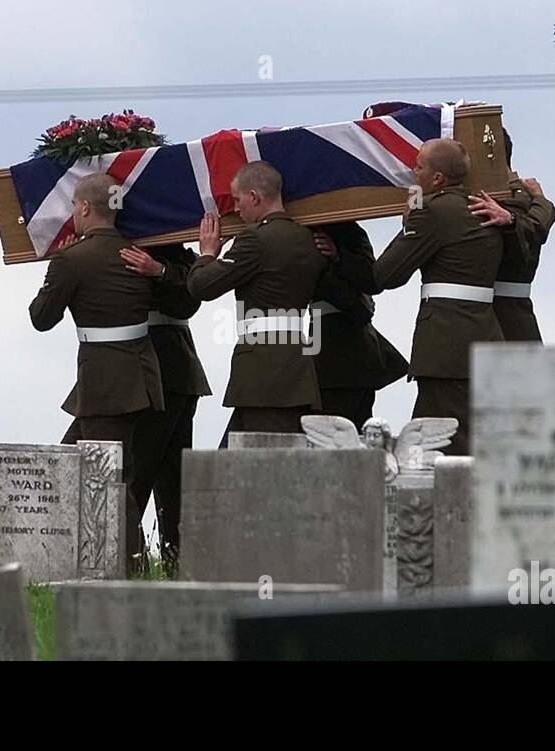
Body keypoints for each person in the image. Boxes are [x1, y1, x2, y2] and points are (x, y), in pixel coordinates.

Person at [30, 172, 164, 568]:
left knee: (109, 474)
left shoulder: (72, 260)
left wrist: (56, 267)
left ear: (85, 208)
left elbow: (41, 317)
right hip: (140, 377)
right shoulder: (138, 254)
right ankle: (83, 557)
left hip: (105, 384)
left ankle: (132, 561)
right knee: (81, 462)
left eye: (73, 205)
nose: (72, 212)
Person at [373, 139, 504, 455]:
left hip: (446, 346)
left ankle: (453, 505)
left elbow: (384, 276)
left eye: (419, 167)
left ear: (437, 179)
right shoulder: (488, 208)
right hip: (485, 336)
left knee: (436, 445)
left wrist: (408, 222)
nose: (413, 172)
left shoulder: (432, 211)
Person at [187, 161, 329, 445]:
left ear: (254, 196)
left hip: (262, 374)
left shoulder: (254, 240)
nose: (236, 209)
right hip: (297, 364)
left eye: (238, 200)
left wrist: (206, 253)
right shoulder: (307, 238)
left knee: (259, 469)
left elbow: (201, 286)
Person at [116, 242, 212, 567]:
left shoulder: (178, 257)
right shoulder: (174, 257)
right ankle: (165, 559)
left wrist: (159, 271)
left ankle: (138, 559)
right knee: (159, 473)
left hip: (161, 374)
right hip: (171, 371)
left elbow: (187, 300)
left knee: (148, 473)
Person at [309, 221, 408, 428]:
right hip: (326, 353)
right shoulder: (301, 234)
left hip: (352, 355)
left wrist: (338, 256)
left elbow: (372, 279)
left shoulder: (348, 231)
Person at [468, 130, 555, 341]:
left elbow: (532, 226)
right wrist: (541, 199)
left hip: (498, 323)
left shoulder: (503, 200)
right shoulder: (530, 198)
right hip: (515, 323)